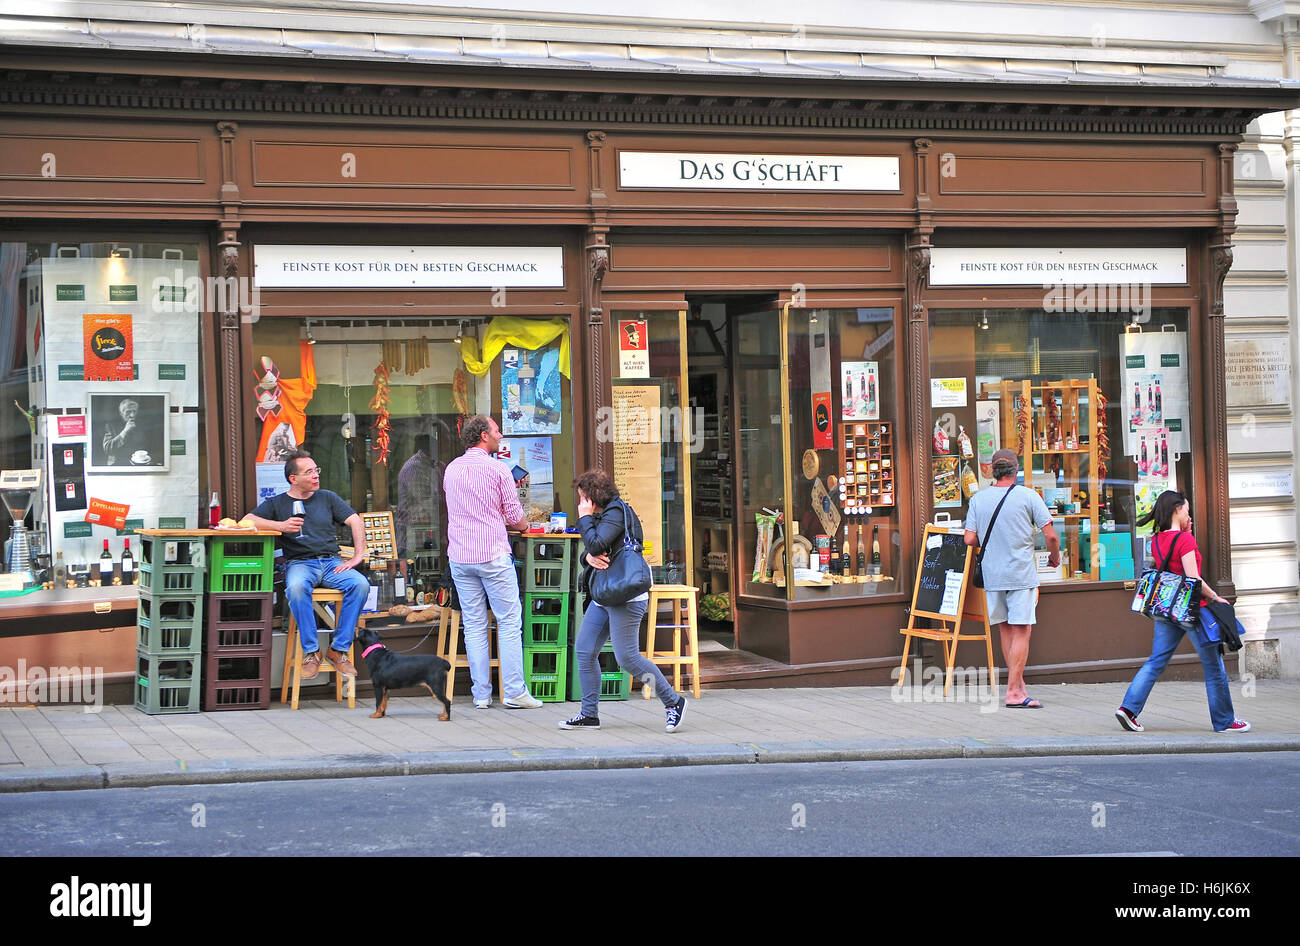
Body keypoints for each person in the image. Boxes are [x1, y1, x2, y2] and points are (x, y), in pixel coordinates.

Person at [559, 468, 687, 734]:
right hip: (606, 593)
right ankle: (589, 714)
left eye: (583, 497)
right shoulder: (605, 515)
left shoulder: (616, 512)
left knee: (627, 658)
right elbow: (595, 553)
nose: (580, 502)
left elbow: (595, 544)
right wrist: (587, 559)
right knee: (585, 650)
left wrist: (584, 519)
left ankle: (673, 701)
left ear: (593, 496)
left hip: (626, 595)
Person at [1115, 490, 1249, 733]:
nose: (1189, 513)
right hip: (1193, 612)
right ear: (1177, 509)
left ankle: (1128, 709)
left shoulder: (1156, 539)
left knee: (1156, 661)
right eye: (1187, 509)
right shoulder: (1185, 540)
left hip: (1167, 610)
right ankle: (1224, 721)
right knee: (1214, 667)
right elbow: (1193, 579)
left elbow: (1171, 569)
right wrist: (1216, 596)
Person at [443, 414, 542, 709]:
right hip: (491, 553)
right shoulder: (498, 469)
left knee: (473, 625)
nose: (501, 435)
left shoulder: (451, 469)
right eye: (497, 431)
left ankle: (482, 695)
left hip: (460, 556)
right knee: (509, 622)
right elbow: (514, 516)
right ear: (484, 435)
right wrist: (526, 526)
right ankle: (513, 691)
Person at [246, 450, 368, 681]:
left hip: (332, 562)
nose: (315, 476)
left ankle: (339, 649)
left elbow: (355, 520)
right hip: (300, 563)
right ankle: (312, 652)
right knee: (296, 588)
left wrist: (357, 556)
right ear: (293, 478)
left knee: (360, 584)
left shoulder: (327, 497)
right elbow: (247, 520)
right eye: (309, 472)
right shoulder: (278, 503)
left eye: (316, 470)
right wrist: (281, 525)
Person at [963, 447, 1060, 709]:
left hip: (992, 575)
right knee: (1023, 629)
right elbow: (1050, 535)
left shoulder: (978, 500)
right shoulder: (1029, 496)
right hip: (1020, 573)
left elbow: (969, 538)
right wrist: (1055, 557)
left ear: (991, 472)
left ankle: (1018, 686)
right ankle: (1013, 692)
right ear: (1016, 471)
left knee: (1006, 629)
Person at [396, 434, 439, 561]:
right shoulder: (414, 467)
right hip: (413, 530)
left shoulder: (433, 465)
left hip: (426, 528)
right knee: (414, 566)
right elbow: (424, 499)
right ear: (430, 449)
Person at [102, 398, 160, 466]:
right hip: (118, 464)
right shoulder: (111, 426)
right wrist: (125, 431)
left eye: (134, 411)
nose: (132, 415)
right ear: (121, 414)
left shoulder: (141, 424)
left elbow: (149, 447)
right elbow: (107, 449)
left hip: (138, 463)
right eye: (128, 412)